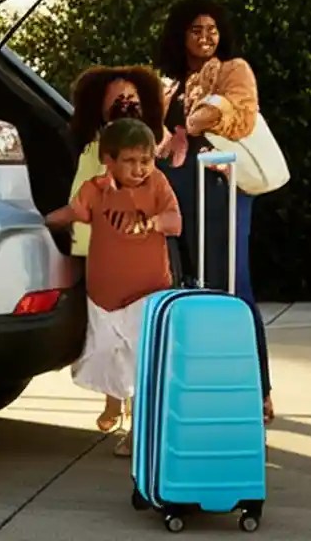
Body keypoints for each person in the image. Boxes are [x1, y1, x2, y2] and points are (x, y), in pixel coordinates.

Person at [154, 0, 274, 424]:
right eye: (196, 30)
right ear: (180, 34)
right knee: (189, 285)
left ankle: (257, 389)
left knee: (233, 283)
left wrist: (195, 120)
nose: (206, 38)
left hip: (222, 187)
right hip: (178, 191)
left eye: (212, 30)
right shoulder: (168, 82)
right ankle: (204, 386)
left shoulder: (232, 70)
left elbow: (237, 116)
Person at [46, 117, 182, 457]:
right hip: (103, 293)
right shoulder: (95, 189)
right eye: (130, 161)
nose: (139, 169)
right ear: (109, 160)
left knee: (140, 359)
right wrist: (41, 222)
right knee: (106, 350)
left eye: (146, 160)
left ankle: (138, 430)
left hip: (146, 291)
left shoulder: (158, 185)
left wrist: (152, 222)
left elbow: (175, 221)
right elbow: (73, 212)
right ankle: (113, 403)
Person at [65, 64, 167, 259]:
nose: (127, 105)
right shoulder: (94, 153)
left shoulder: (151, 151)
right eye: (119, 101)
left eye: (132, 99)